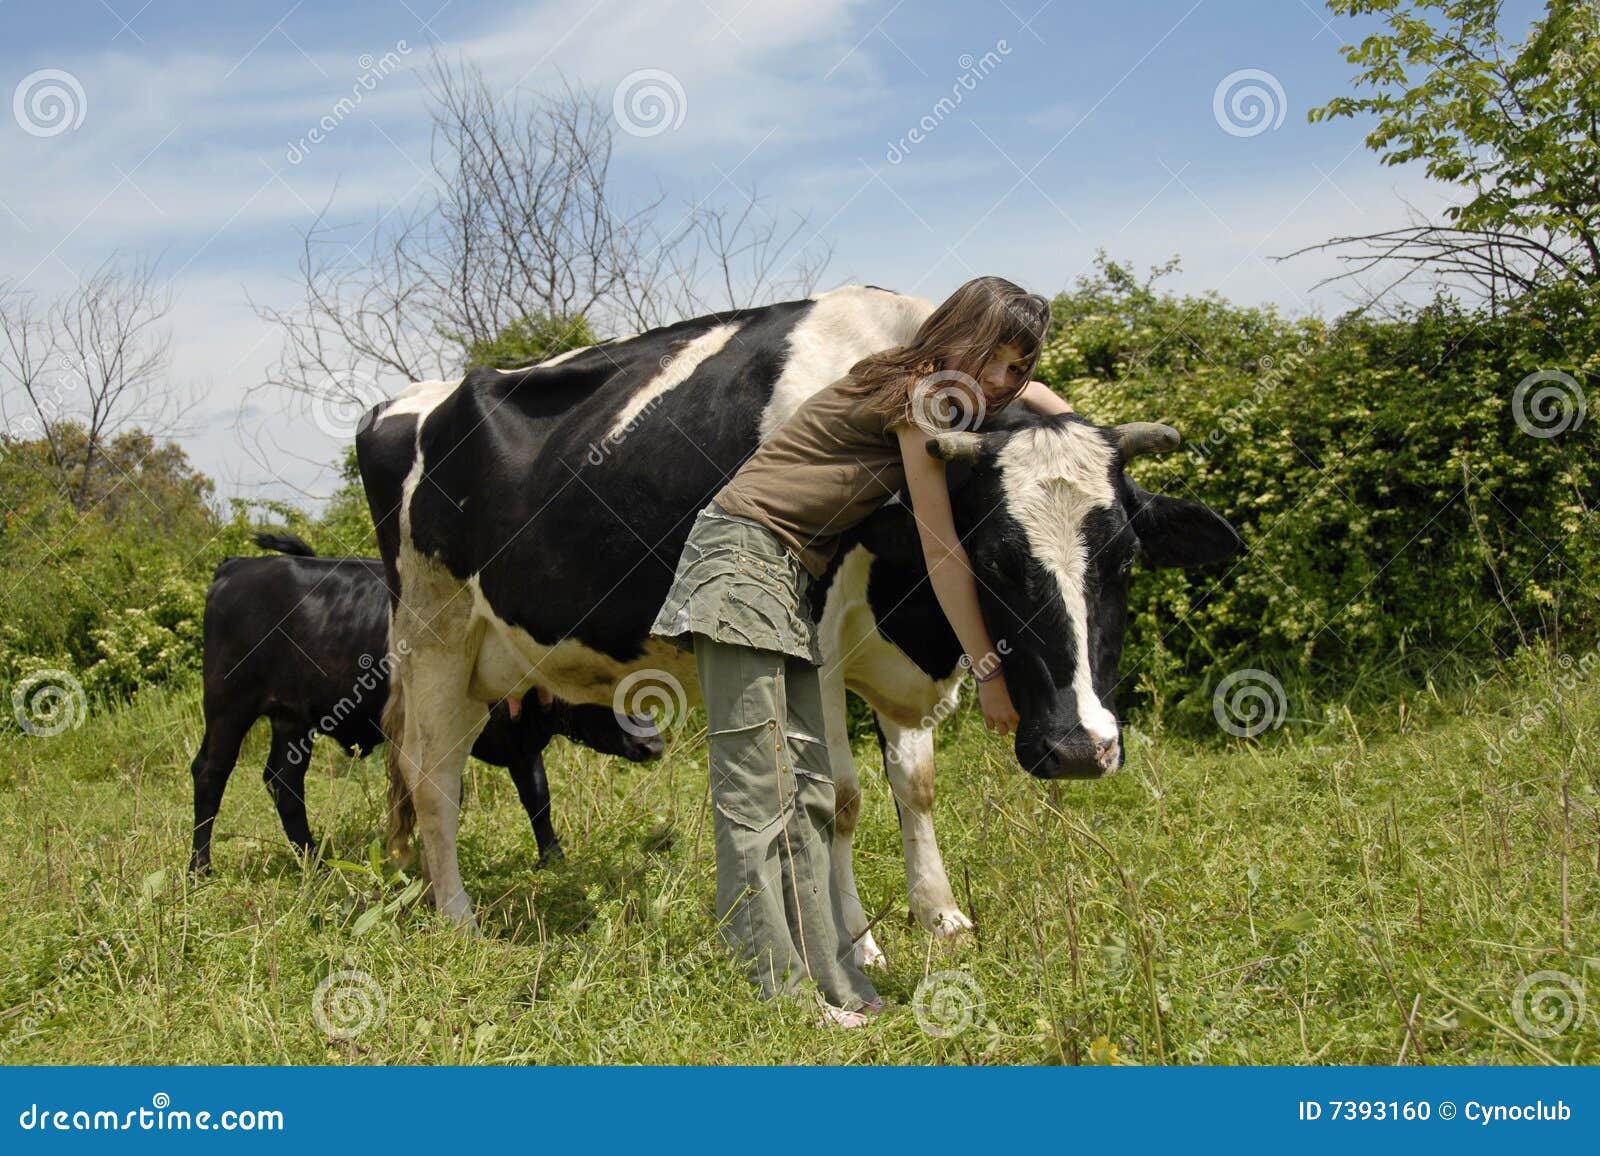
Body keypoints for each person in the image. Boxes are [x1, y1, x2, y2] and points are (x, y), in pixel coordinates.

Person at [648, 276, 1075, 1027]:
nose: (1006, 382)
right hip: (742, 561)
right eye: (998, 359)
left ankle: (834, 977)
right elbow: (941, 551)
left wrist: (1065, 418)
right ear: (963, 338)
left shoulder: (905, 377)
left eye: (1020, 367)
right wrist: (988, 671)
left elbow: (1042, 402)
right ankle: (780, 992)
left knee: (812, 788)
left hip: (788, 575)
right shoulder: (919, 396)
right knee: (758, 789)